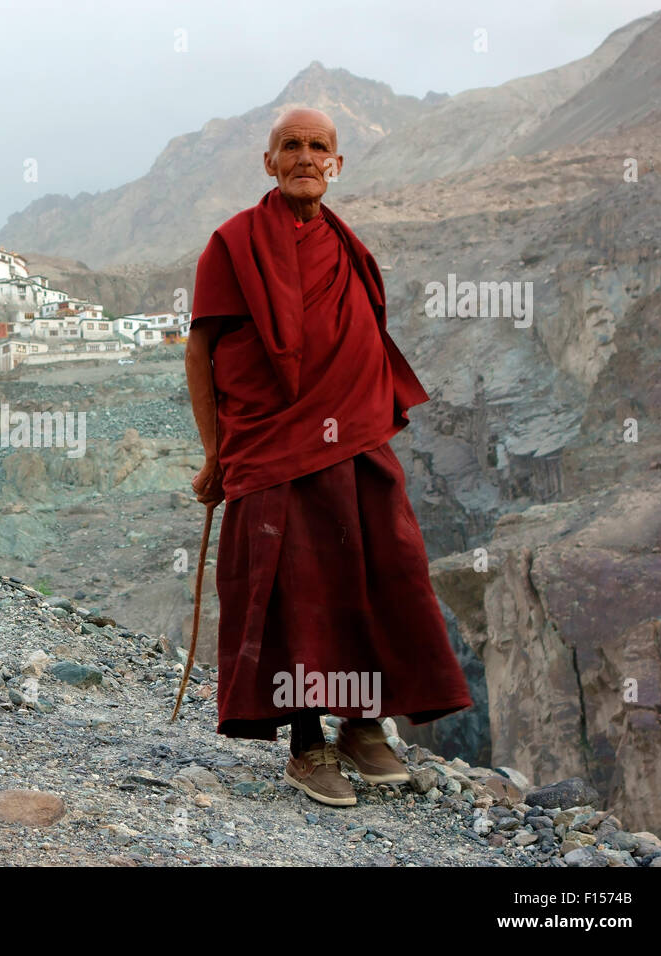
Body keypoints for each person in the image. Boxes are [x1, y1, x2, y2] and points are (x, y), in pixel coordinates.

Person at [184, 107, 473, 807]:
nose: (305, 156)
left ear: (336, 163)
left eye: (319, 146)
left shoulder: (350, 249)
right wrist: (213, 454)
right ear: (269, 161)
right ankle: (306, 741)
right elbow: (202, 349)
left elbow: (360, 336)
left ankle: (363, 724)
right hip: (273, 444)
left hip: (356, 443)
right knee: (293, 590)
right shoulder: (233, 244)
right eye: (292, 146)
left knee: (380, 574)